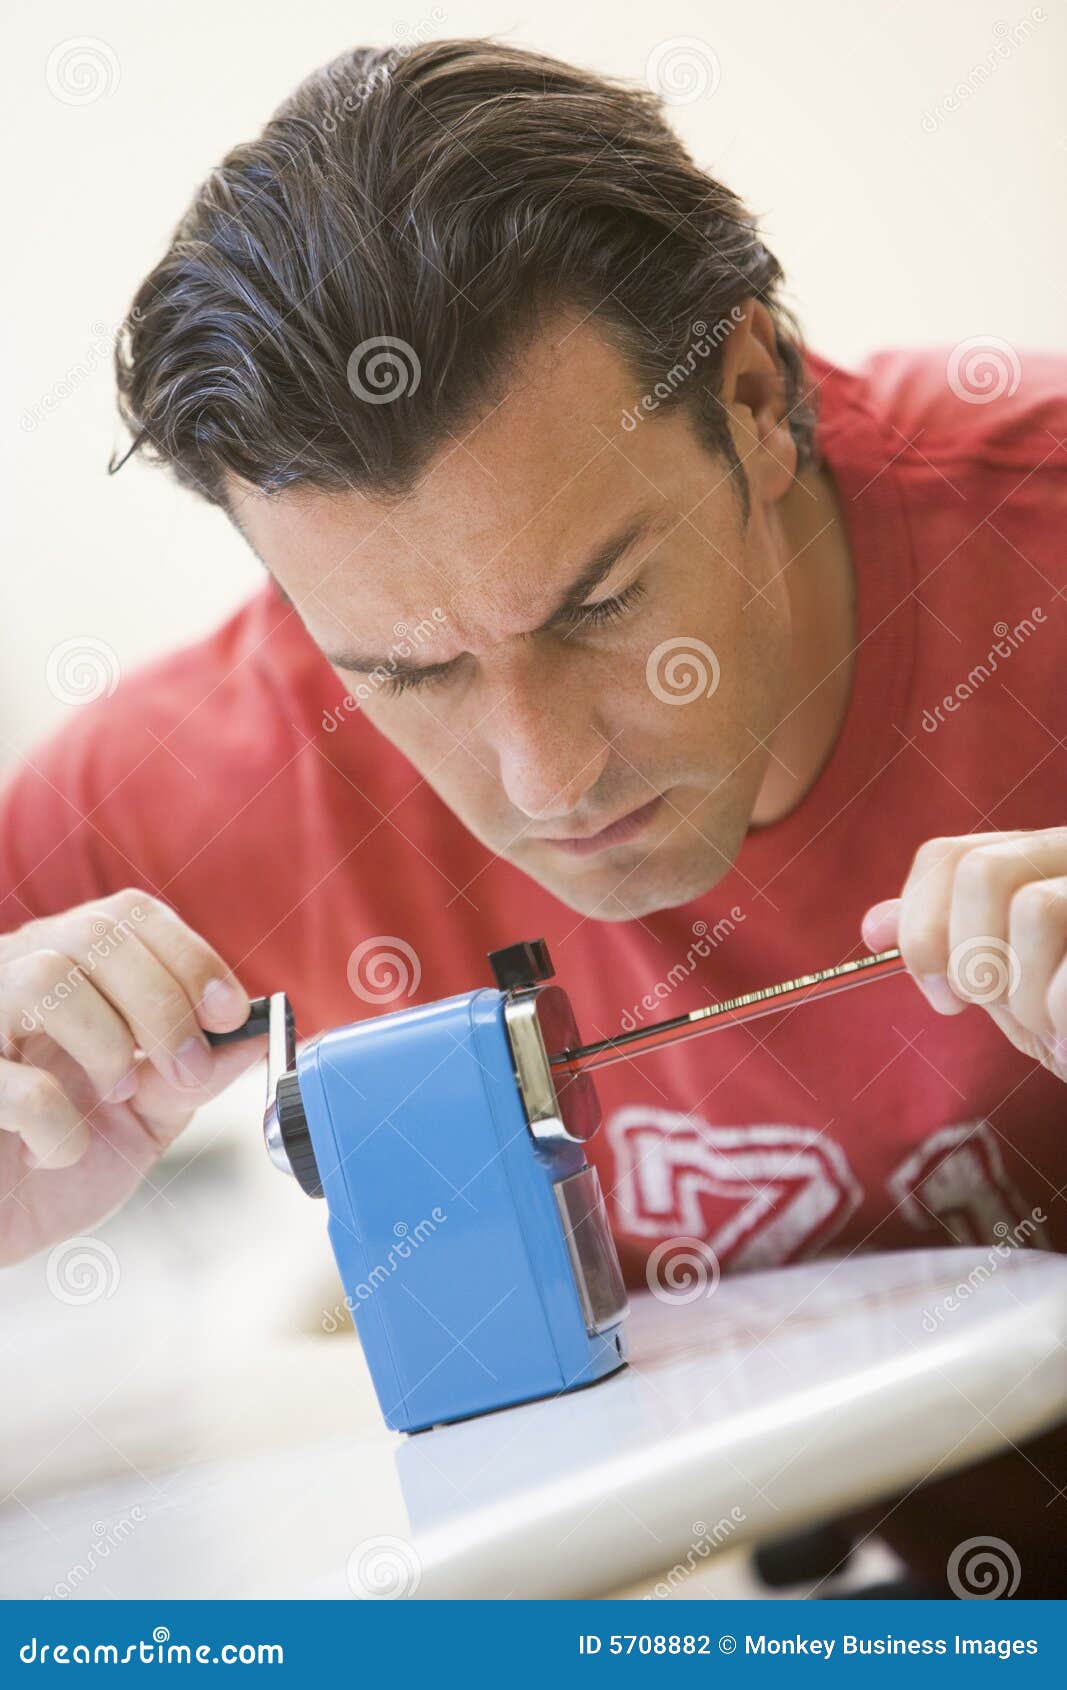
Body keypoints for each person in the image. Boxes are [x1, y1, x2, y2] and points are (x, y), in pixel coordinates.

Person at [2, 39, 1065, 1592]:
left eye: (600, 603)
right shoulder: (206, 775)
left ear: (752, 401)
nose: (548, 776)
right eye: (408, 671)